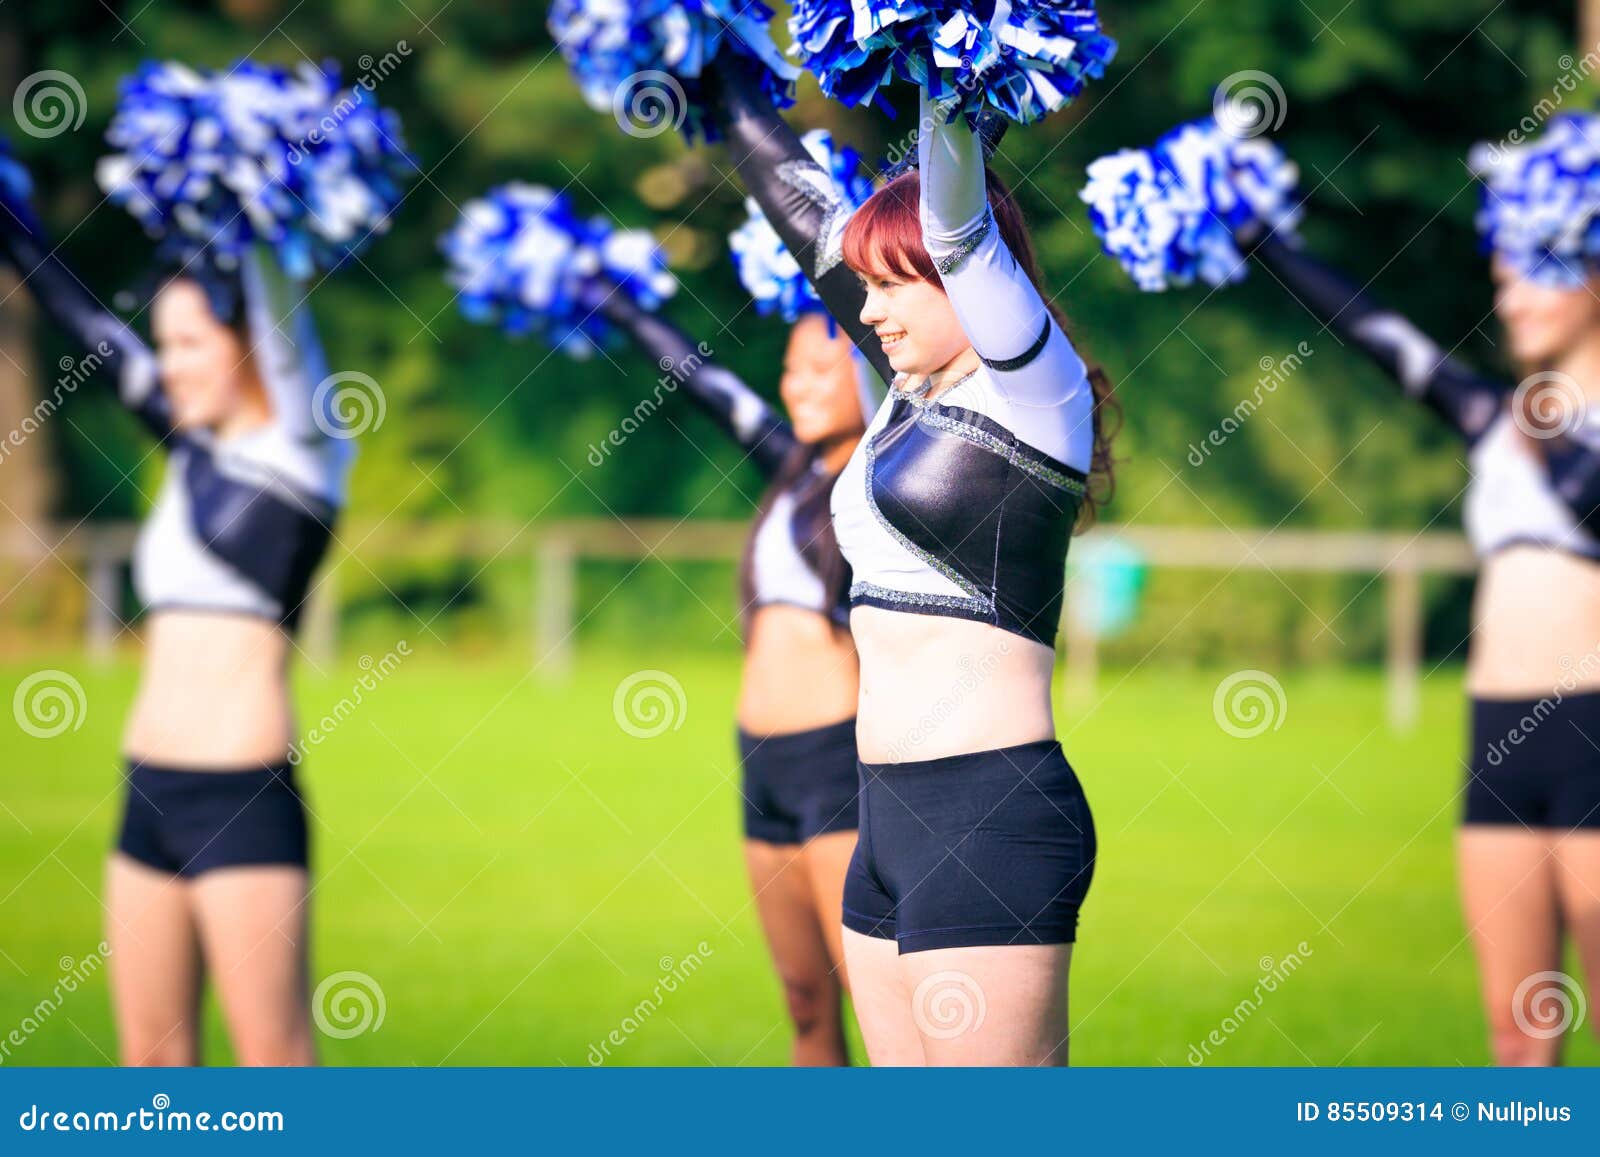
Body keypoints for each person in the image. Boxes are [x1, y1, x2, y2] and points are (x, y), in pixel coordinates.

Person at [0, 183, 350, 1066]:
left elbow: (276, 296)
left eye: (194, 343)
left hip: (240, 795)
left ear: (252, 346)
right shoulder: (190, 445)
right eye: (165, 343)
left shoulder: (302, 449)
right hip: (146, 789)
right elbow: (82, 322)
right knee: (150, 1066)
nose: (173, 365)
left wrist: (248, 176)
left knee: (275, 1063)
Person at [826, 89, 1117, 1065]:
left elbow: (954, 222)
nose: (866, 313)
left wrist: (942, 68)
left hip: (985, 817)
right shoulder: (903, 398)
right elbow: (803, 224)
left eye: (889, 286)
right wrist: (722, 89)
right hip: (881, 820)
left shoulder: (1037, 395)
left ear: (963, 282)